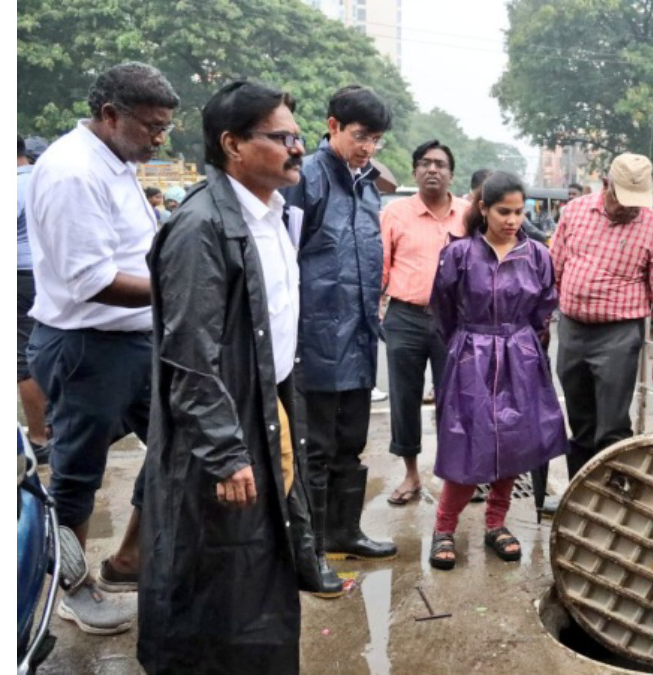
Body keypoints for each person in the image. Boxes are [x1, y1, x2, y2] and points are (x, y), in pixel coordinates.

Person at [139, 80, 336, 675]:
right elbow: (189, 355)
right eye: (282, 138)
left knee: (256, 567)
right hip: (222, 424)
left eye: (298, 136)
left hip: (266, 403)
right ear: (232, 144)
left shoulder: (274, 216)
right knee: (212, 570)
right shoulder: (202, 226)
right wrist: (225, 450)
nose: (298, 148)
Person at [25, 62, 178, 634]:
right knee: (76, 474)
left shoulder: (115, 160)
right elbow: (91, 280)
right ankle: (68, 587)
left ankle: (130, 560)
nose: (160, 138)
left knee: (177, 439)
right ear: (111, 115)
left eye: (165, 127)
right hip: (86, 346)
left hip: (135, 339)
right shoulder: (72, 172)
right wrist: (179, 286)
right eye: (151, 126)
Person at [279, 85, 398, 571]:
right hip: (315, 337)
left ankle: (346, 532)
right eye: (359, 136)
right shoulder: (306, 178)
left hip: (360, 335)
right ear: (332, 126)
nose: (368, 147)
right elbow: (285, 256)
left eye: (376, 139)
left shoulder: (367, 184)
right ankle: (311, 543)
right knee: (316, 447)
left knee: (352, 440)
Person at [426, 171, 566, 570]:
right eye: (503, 211)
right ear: (483, 208)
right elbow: (443, 308)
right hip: (470, 354)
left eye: (519, 212)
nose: (512, 220)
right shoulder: (459, 254)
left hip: (520, 356)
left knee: (514, 443)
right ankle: (444, 528)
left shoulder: (537, 255)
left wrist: (519, 343)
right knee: (467, 443)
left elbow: (544, 308)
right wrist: (467, 345)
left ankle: (496, 523)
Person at [551, 153, 653, 479]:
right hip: (572, 330)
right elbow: (553, 270)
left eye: (637, 201)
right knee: (580, 424)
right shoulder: (574, 212)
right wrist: (540, 320)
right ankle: (578, 502)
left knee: (612, 427)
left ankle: (612, 503)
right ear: (606, 185)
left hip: (618, 335)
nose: (630, 208)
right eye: (624, 199)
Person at [380, 140, 469, 506]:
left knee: (457, 400)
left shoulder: (468, 214)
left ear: (451, 173)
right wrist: (378, 311)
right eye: (425, 163)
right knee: (404, 398)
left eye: (440, 164)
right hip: (405, 316)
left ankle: (456, 477)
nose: (433, 169)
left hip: (455, 322)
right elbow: (379, 267)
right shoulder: (395, 213)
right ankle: (411, 474)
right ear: (415, 171)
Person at [17, 135, 50, 463]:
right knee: (42, 342)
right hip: (45, 273)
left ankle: (39, 438)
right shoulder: (45, 178)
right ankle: (51, 423)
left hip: (19, 277)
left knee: (21, 360)